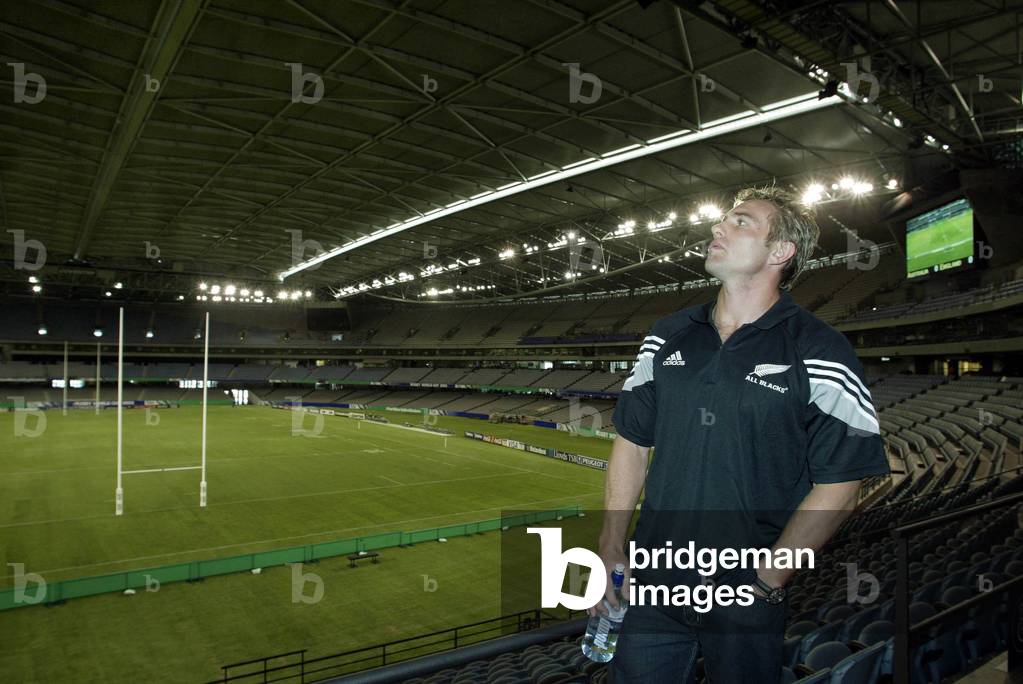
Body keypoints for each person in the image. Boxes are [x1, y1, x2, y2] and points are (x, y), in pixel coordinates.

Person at [590, 186, 891, 683]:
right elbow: (632, 442)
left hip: (744, 594)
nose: (718, 227)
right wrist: (611, 543)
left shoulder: (821, 349)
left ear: (780, 252)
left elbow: (841, 484)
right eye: (723, 220)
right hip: (652, 583)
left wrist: (767, 580)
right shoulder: (667, 335)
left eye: (741, 221)